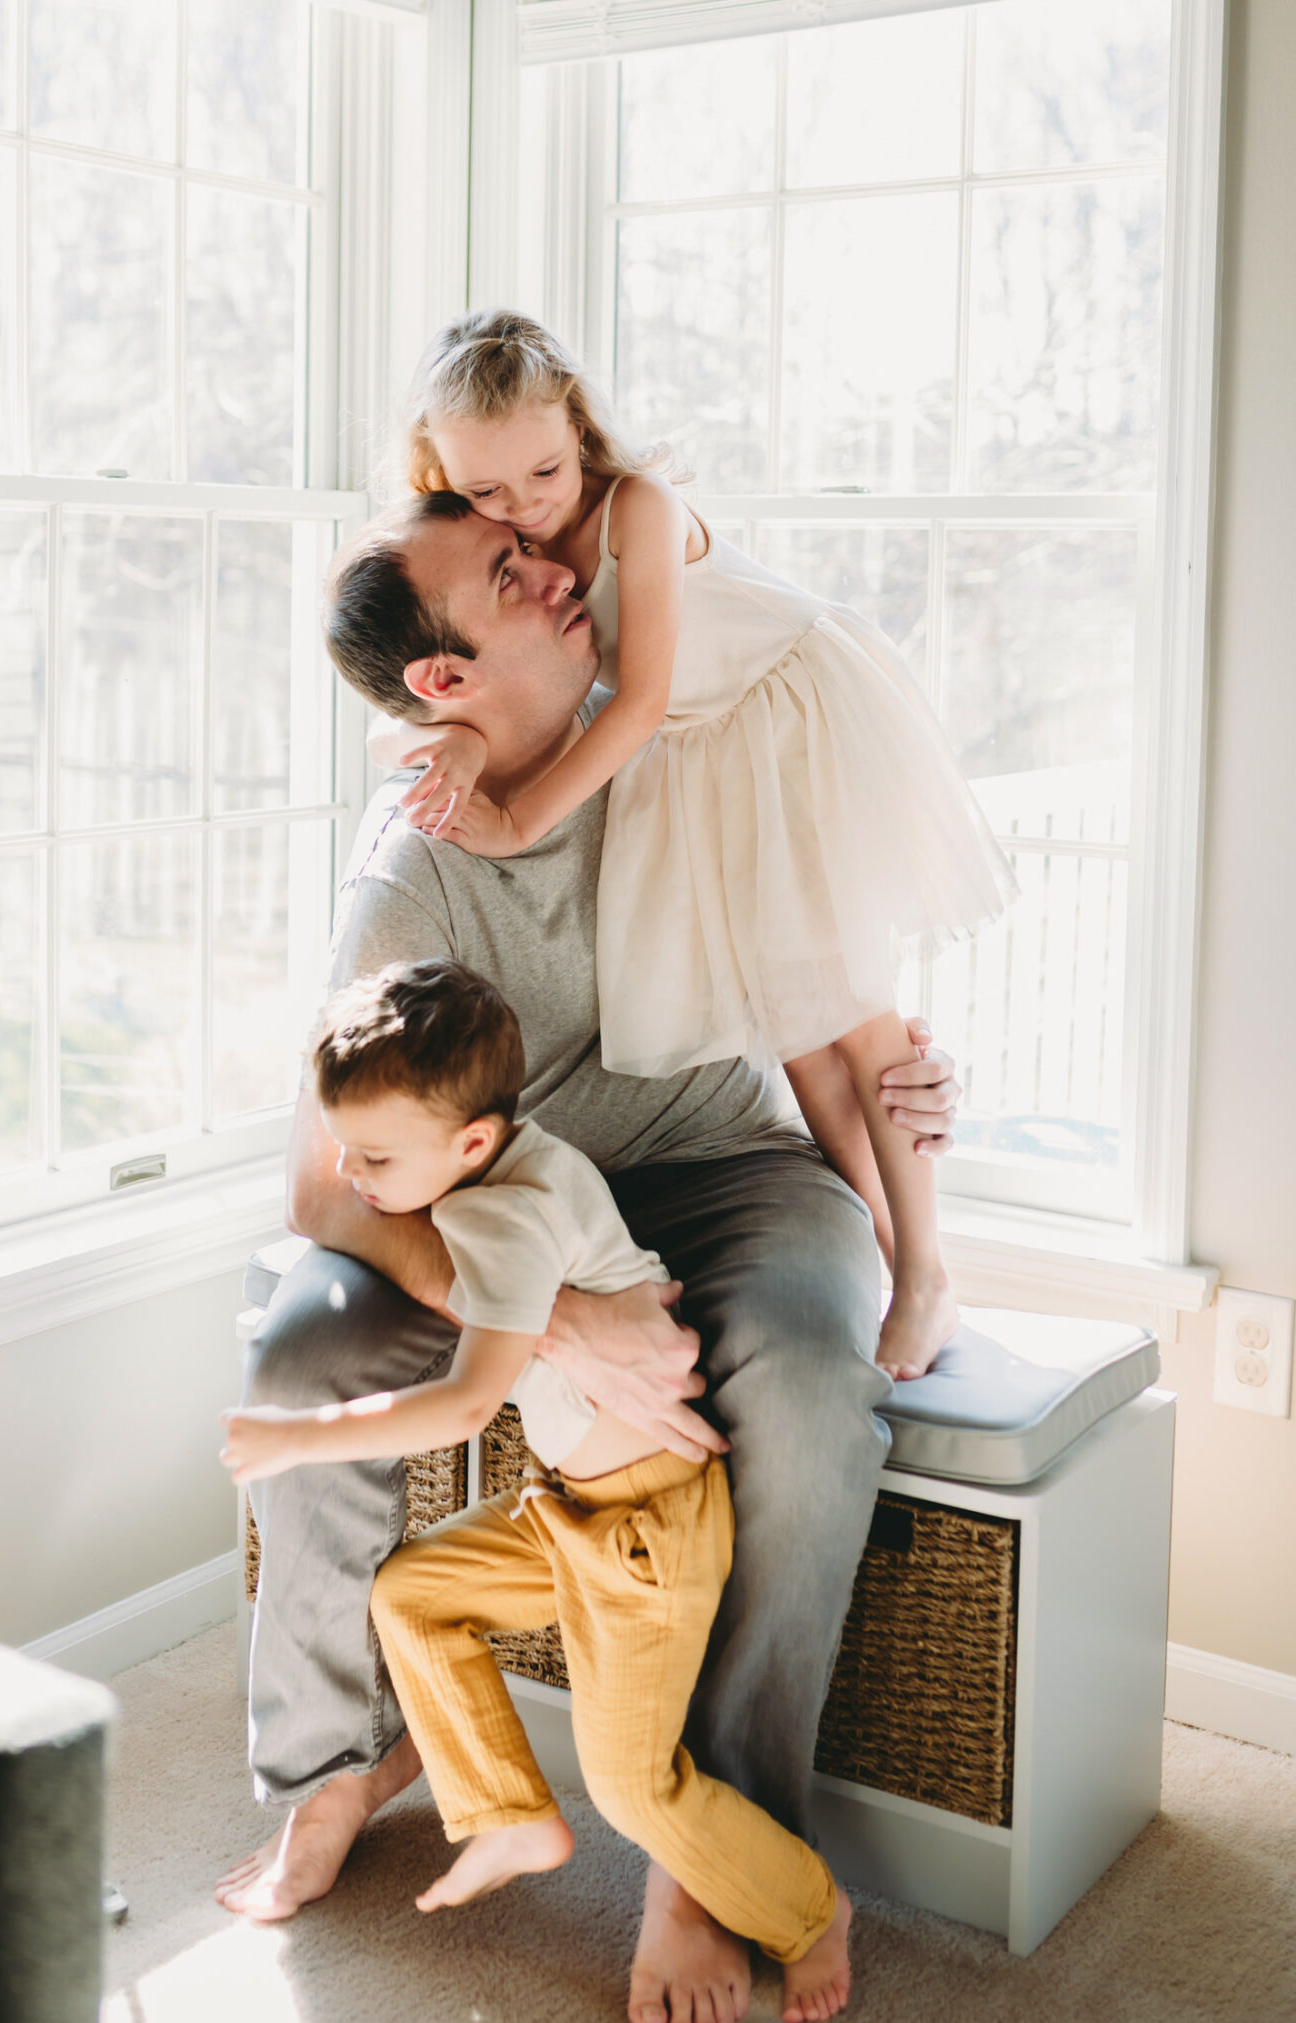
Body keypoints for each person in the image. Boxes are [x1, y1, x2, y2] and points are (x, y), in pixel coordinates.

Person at [216, 488, 963, 2023]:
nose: (554, 571)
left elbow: (830, 990)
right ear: (441, 681)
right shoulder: (407, 867)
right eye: (504, 575)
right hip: (518, 1200)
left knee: (812, 1385)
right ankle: (335, 1760)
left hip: (729, 1166)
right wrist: (554, 1324)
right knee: (300, 1347)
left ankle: (707, 1851)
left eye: (532, 543)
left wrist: (907, 1105)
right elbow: (321, 1185)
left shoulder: (679, 739)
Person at [379, 309, 1015, 1381]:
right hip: (708, 760)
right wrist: (443, 738)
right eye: (486, 492)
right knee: (799, 1036)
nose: (525, 507)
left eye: (541, 470)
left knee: (857, 1017)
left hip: (778, 725)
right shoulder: (513, 545)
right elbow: (443, 676)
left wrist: (519, 816)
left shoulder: (638, 505)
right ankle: (886, 1242)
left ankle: (929, 1270)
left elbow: (641, 701)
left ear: (576, 425)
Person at [222, 958, 853, 2023]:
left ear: (469, 1142)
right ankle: (509, 1812)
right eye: (343, 1144)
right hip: (569, 1509)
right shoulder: (495, 1166)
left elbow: (467, 1406)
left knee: (634, 1784)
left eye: (374, 1155)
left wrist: (299, 1434)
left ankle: (810, 1911)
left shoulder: (508, 1218)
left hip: (642, 1535)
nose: (350, 1172)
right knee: (413, 1593)